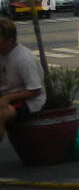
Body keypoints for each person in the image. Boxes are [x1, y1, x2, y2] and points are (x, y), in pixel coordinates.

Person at [0, 17, 46, 147]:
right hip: (6, 95)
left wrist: (7, 98)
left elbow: (35, 90)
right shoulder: (2, 54)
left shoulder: (23, 59)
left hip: (28, 101)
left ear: (8, 40)